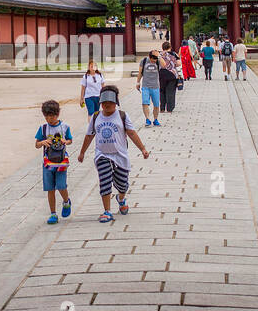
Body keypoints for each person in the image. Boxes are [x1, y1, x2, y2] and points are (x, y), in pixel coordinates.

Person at [78, 84, 149, 223]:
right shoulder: (96, 117)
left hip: (120, 155)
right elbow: (89, 136)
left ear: (116, 103)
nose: (107, 105)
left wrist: (143, 149)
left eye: (110, 102)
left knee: (123, 184)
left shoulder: (122, 116)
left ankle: (121, 198)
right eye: (104, 102)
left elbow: (132, 133)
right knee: (104, 181)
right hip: (102, 155)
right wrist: (82, 152)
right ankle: (107, 211)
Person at [35, 99, 73, 224]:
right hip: (48, 163)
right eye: (46, 116)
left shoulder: (64, 127)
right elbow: (37, 144)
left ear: (57, 114)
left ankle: (66, 201)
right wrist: (42, 142)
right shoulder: (43, 128)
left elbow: (70, 140)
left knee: (61, 185)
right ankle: (53, 213)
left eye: (51, 116)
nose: (49, 119)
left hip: (61, 161)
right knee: (50, 188)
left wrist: (65, 141)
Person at [137, 48, 163, 126]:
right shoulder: (144, 61)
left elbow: (164, 65)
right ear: (149, 57)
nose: (154, 61)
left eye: (155, 59)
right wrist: (138, 82)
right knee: (145, 103)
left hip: (155, 86)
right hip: (146, 86)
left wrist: (159, 56)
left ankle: (155, 119)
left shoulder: (158, 61)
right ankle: (147, 119)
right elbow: (140, 72)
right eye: (152, 59)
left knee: (156, 105)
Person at [158, 41, 180, 114]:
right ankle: (170, 108)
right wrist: (172, 64)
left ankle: (162, 108)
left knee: (162, 91)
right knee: (170, 91)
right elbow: (179, 64)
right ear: (170, 47)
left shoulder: (159, 55)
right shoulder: (173, 54)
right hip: (172, 74)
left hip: (161, 74)